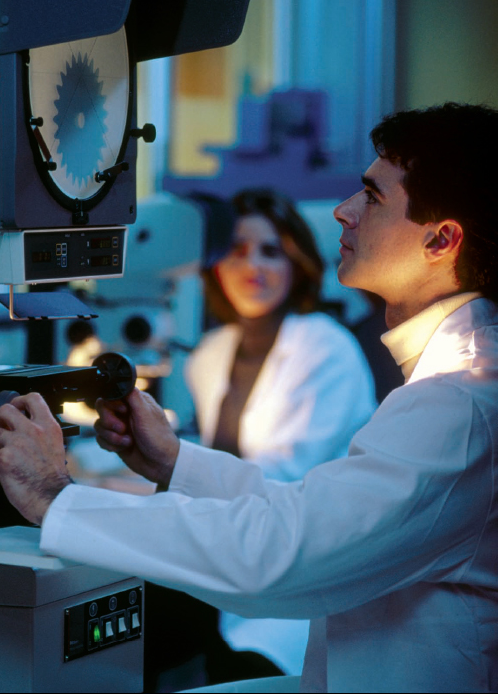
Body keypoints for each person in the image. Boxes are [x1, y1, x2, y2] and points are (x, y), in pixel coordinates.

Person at [0, 103, 498, 693]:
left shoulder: (458, 401)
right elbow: (315, 512)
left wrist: (55, 497)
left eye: (372, 196)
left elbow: (284, 553)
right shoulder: (450, 381)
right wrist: (175, 462)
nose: (343, 211)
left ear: (441, 239)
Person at [181, 188, 376, 679]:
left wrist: (169, 475)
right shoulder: (209, 353)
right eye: (237, 250)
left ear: (296, 264)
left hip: (306, 562)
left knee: (247, 665)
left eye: (270, 251)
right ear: (215, 266)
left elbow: (285, 478)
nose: (252, 266)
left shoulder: (327, 348)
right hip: (232, 552)